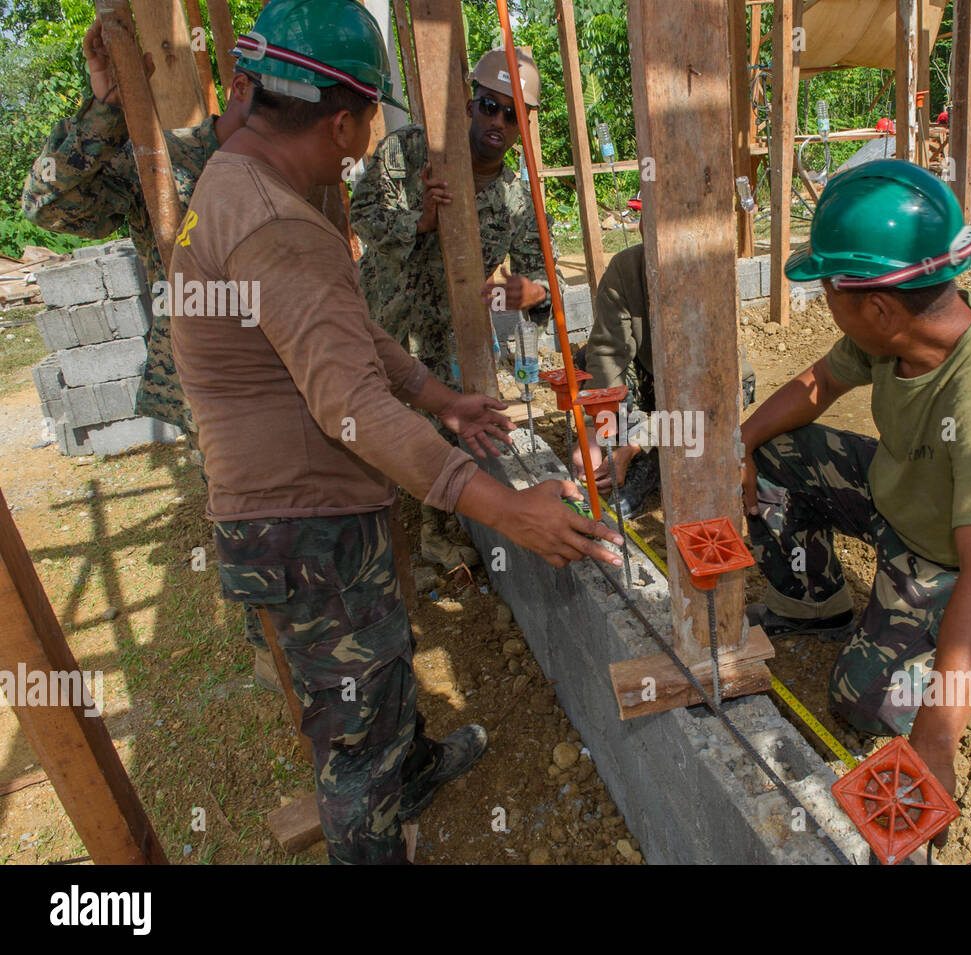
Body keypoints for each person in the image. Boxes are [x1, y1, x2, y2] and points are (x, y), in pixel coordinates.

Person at [169, 0, 622, 864]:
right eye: (367, 116)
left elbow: (343, 327)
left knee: (380, 658)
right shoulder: (282, 224)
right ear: (344, 118)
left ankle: (409, 764)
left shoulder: (239, 184)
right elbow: (354, 409)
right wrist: (504, 508)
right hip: (305, 521)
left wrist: (440, 396)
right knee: (352, 732)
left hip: (299, 507)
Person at [740, 160, 971, 798]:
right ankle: (814, 605)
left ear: (880, 308)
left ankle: (950, 655)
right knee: (776, 454)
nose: (822, 300)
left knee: (863, 703)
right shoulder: (894, 335)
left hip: (958, 562)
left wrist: (936, 739)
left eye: (827, 287)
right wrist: (738, 442)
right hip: (899, 497)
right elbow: (818, 384)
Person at [19, 16, 283, 688]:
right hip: (208, 385)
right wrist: (107, 103)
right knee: (245, 515)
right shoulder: (164, 160)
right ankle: (274, 648)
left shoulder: (300, 159)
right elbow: (47, 206)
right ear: (244, 84)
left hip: (289, 373)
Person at [350, 47, 554, 572]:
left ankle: (433, 534)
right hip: (374, 320)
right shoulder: (414, 150)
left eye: (512, 115)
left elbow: (536, 278)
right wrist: (419, 220)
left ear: (524, 126)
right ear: (469, 105)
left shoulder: (518, 196)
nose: (498, 122)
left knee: (442, 428)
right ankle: (358, 531)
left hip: (441, 334)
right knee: (357, 423)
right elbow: (364, 214)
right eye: (490, 106)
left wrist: (530, 295)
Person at [571, 235, 757, 517]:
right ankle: (633, 449)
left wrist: (635, 447)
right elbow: (607, 354)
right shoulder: (626, 269)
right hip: (655, 373)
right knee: (586, 359)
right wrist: (594, 430)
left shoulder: (710, 274)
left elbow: (704, 400)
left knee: (701, 424)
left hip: (716, 390)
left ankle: (650, 462)